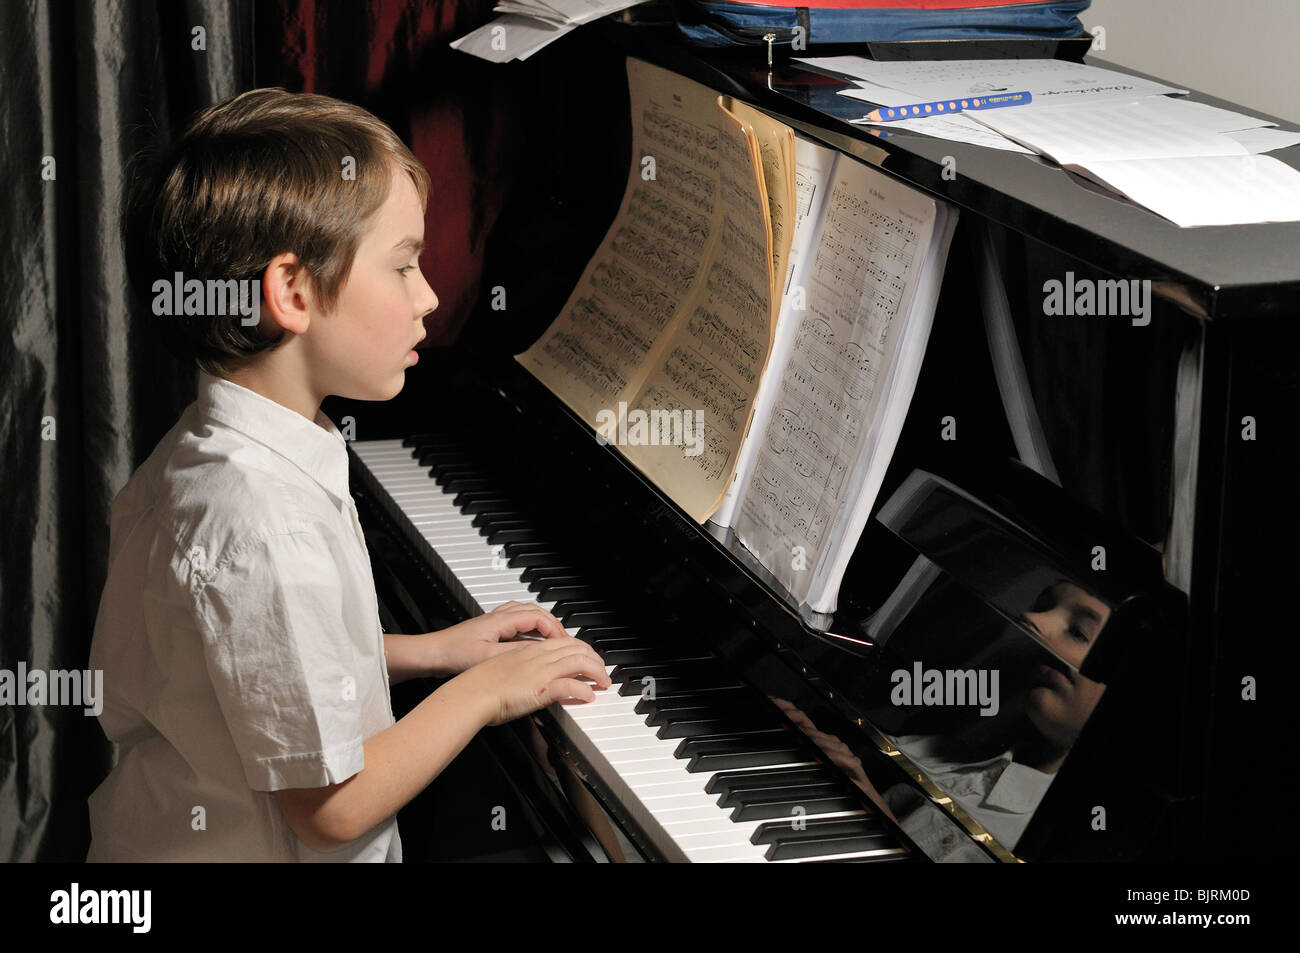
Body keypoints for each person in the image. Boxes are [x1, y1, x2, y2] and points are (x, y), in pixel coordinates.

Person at [85, 88, 610, 862]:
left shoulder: (213, 447)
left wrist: (433, 651)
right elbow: (331, 808)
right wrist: (488, 692)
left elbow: (270, 659)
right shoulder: (264, 526)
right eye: (403, 266)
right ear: (293, 292)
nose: (430, 296)